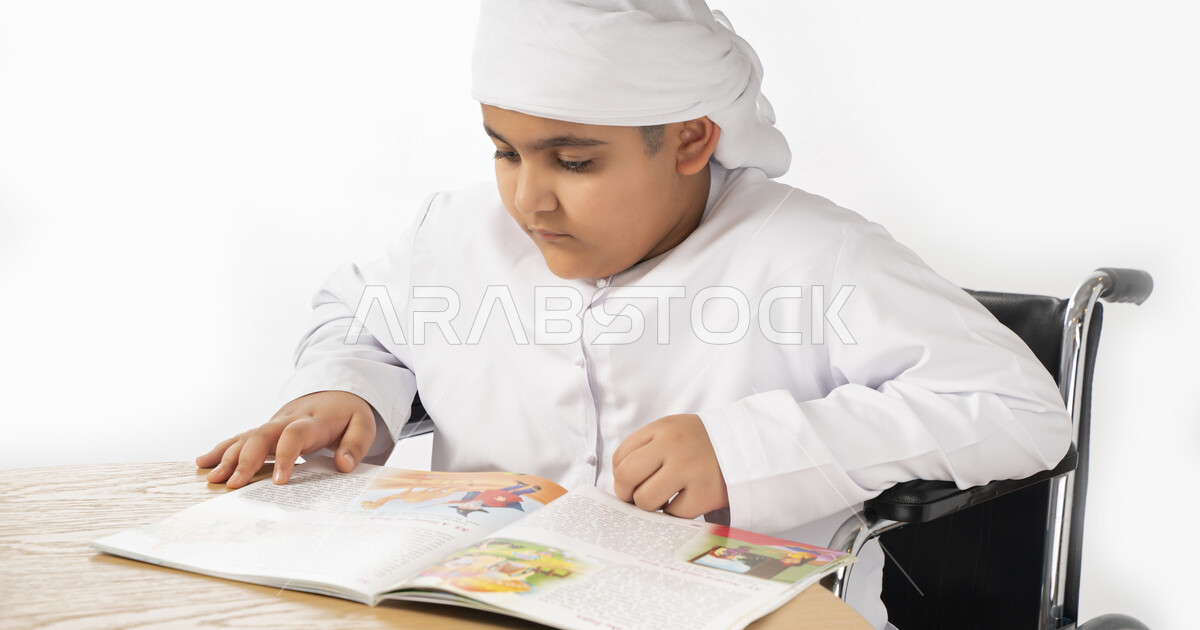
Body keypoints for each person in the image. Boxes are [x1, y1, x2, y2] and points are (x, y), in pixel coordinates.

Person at [195, 1, 1071, 626]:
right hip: (482, 603)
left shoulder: (816, 254)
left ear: (690, 139)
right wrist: (344, 390)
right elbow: (359, 319)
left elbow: (1022, 413)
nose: (528, 200)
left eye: (574, 162)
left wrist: (748, 451)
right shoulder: (456, 233)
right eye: (505, 152)